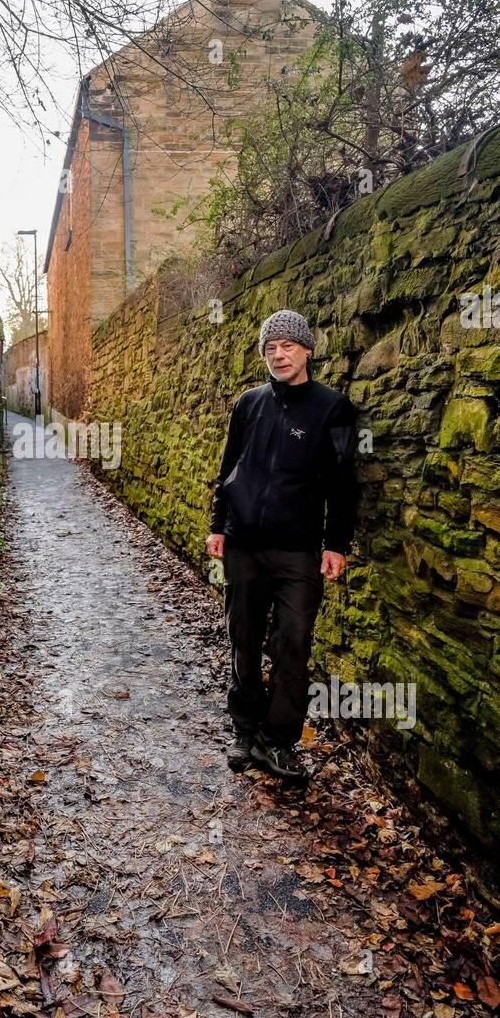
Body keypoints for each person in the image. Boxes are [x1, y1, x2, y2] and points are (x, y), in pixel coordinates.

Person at [206, 309, 359, 782]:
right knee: (244, 640)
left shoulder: (331, 408)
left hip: (298, 551)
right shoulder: (248, 404)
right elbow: (229, 466)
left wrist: (336, 543)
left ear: (307, 350)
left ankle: (278, 741)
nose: (279, 354)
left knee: (292, 642)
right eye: (270, 347)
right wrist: (218, 524)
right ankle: (246, 731)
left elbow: (344, 481)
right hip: (244, 545)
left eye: (288, 346)